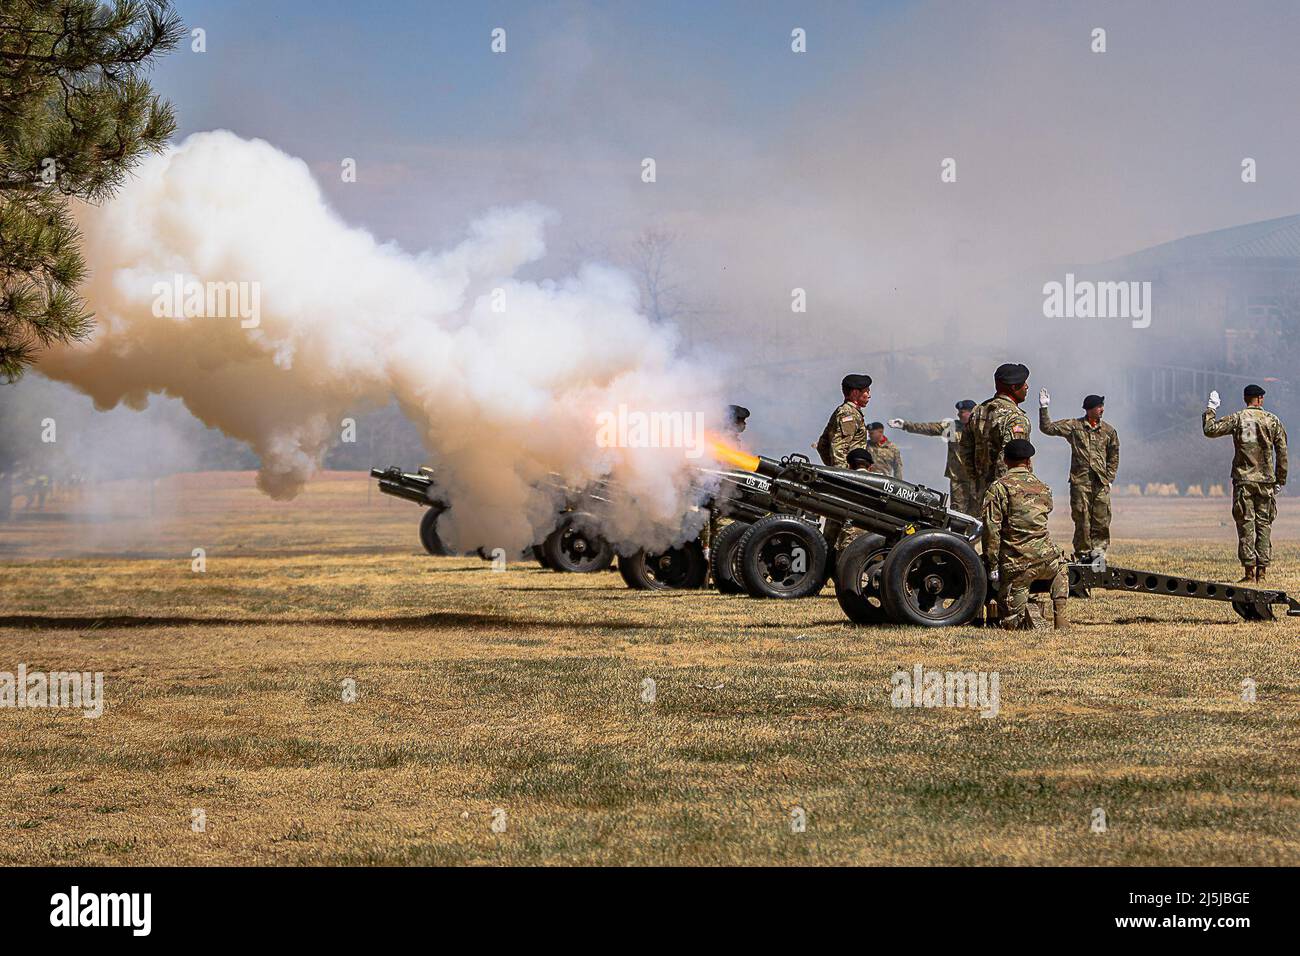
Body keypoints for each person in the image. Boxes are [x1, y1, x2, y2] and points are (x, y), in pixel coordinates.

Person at [1203, 384, 1288, 583]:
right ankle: (1262, 573)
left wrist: (1211, 408)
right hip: (1266, 482)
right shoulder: (1272, 420)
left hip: (1243, 480)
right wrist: (1280, 479)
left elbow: (1210, 429)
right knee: (1264, 525)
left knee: (1246, 525)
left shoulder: (1238, 418)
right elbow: (1282, 452)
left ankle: (1249, 573)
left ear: (1245, 399)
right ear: (1259, 399)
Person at [982, 438, 1069, 631]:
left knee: (1012, 623)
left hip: (1018, 564)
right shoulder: (1043, 487)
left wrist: (993, 565)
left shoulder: (999, 488)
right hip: (1048, 562)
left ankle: (1021, 617)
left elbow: (991, 529)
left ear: (1005, 461)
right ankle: (1061, 620)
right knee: (1062, 568)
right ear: (1029, 462)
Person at [1037, 391, 1120, 558]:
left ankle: (1099, 555)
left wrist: (1109, 478)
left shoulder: (1108, 431)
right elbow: (1047, 428)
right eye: (1098, 407)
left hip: (1100, 484)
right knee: (1082, 520)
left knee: (1101, 521)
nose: (1102, 410)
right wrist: (1044, 407)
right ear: (1089, 409)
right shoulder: (1075, 426)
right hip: (1079, 483)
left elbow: (1114, 455)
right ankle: (1082, 554)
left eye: (1102, 407)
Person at [960, 363, 1032, 509]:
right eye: (1024, 383)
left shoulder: (979, 411)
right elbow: (1010, 459)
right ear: (1013, 387)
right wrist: (1005, 492)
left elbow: (965, 450)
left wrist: (976, 482)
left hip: (981, 492)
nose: (1027, 387)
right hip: (1006, 495)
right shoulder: (1015, 417)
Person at [890, 399, 977, 514]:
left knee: (978, 512)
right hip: (958, 479)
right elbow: (930, 428)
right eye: (959, 412)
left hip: (977, 480)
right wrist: (906, 425)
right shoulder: (952, 427)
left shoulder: (981, 428)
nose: (958, 414)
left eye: (962, 412)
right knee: (958, 512)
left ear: (972, 412)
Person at [815, 373, 871, 551]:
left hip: (846, 476)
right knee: (850, 528)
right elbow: (838, 448)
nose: (869, 395)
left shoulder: (848, 412)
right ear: (855, 393)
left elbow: (822, 445)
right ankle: (845, 570)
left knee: (834, 527)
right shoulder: (848, 413)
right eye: (866, 391)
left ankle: (824, 567)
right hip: (849, 481)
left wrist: (833, 470)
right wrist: (843, 477)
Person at [836, 447, 876, 550]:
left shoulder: (843, 482)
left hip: (848, 542)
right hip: (872, 543)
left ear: (849, 466)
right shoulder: (880, 484)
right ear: (870, 467)